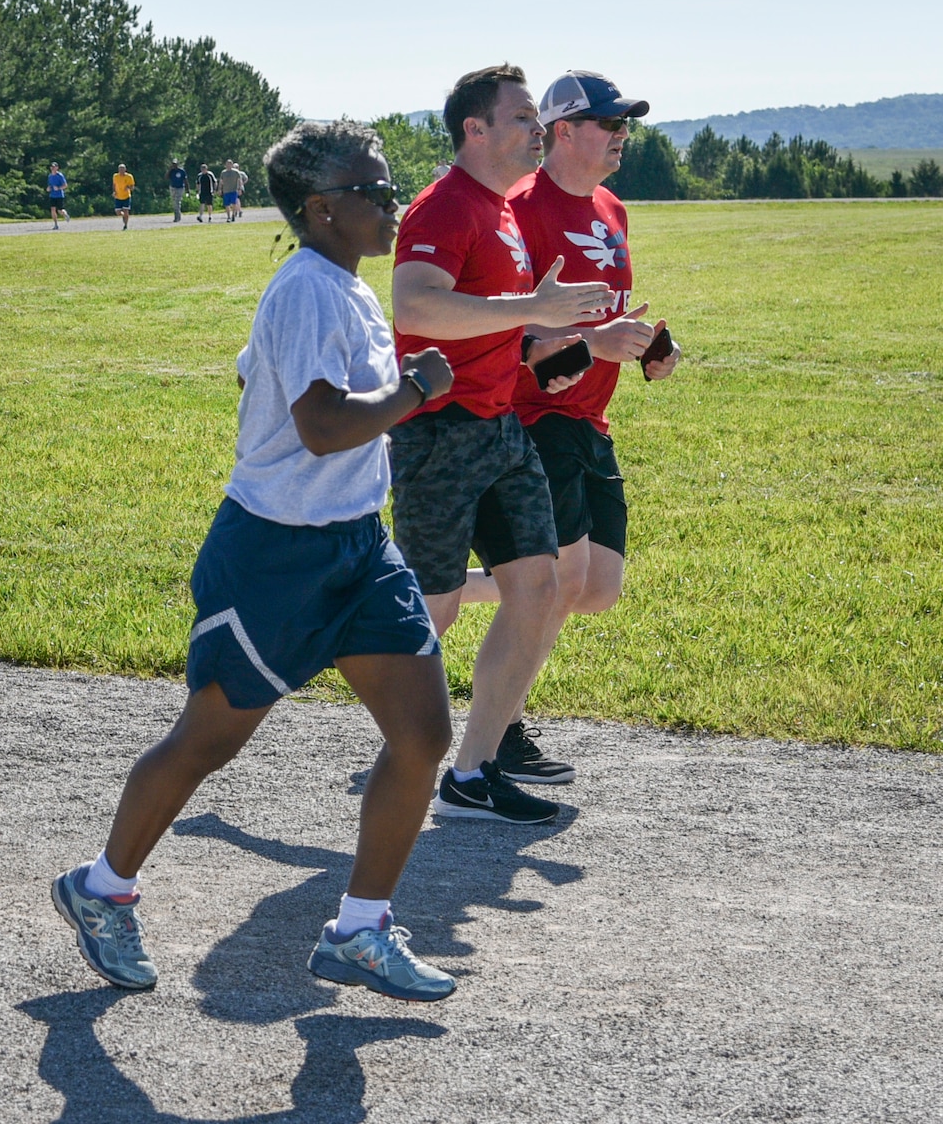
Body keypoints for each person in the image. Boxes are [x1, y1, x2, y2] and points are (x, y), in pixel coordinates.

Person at [52, 119, 459, 1004]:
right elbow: (322, 428)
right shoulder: (308, 288)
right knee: (207, 742)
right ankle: (101, 887)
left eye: (391, 186)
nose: (392, 203)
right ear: (322, 208)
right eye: (374, 190)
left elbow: (253, 374)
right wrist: (415, 391)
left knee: (424, 734)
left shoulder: (343, 287)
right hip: (275, 554)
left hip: (358, 545)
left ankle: (359, 930)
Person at [389, 64, 614, 824]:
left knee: (539, 589)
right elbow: (417, 309)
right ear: (475, 129)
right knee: (432, 610)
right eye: (522, 118)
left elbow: (498, 321)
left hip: (501, 429)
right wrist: (530, 309)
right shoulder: (445, 205)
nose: (536, 130)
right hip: (438, 434)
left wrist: (557, 344)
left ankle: (471, 774)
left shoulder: (500, 210)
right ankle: (275, 654)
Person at [462, 71, 681, 775]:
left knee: (597, 588)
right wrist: (591, 344)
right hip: (532, 413)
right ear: (562, 130)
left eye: (625, 124)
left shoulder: (613, 208)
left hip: (590, 418)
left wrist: (645, 347)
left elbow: (603, 316)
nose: (622, 135)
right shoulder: (519, 206)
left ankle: (438, 587)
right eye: (608, 123)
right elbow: (503, 327)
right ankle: (500, 736)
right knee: (560, 579)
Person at [112, 164, 135, 229]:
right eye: (120, 169)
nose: (121, 171)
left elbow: (132, 187)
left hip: (126, 196)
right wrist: (114, 192)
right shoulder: (115, 176)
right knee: (118, 212)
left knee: (126, 210)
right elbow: (114, 185)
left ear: (125, 169)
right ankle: (124, 215)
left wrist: (128, 187)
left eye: (122, 169)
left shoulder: (129, 176)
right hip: (118, 196)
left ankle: (125, 225)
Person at [47, 162, 69, 228]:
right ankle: (56, 224)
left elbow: (65, 185)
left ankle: (65, 215)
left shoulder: (60, 175)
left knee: (60, 210)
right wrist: (48, 189)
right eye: (52, 167)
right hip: (52, 195)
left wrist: (58, 188)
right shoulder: (50, 176)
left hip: (59, 195)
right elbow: (49, 185)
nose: (53, 168)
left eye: (54, 167)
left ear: (57, 168)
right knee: (53, 209)